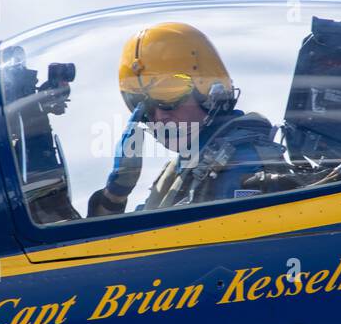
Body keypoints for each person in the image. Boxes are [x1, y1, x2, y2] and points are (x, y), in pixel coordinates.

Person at [87, 22, 287, 217]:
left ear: (209, 91)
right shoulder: (186, 167)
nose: (158, 116)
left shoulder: (238, 165)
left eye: (168, 93)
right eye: (140, 103)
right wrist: (114, 196)